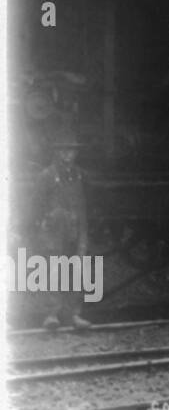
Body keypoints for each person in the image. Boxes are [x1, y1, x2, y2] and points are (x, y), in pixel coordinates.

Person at [34, 127, 91, 330]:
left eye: (72, 151)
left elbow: (86, 204)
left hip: (76, 228)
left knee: (77, 269)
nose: (68, 154)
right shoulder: (46, 176)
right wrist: (45, 224)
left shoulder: (80, 176)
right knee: (52, 270)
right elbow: (37, 206)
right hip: (54, 230)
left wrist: (83, 231)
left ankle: (74, 314)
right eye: (64, 150)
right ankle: (51, 314)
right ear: (56, 152)